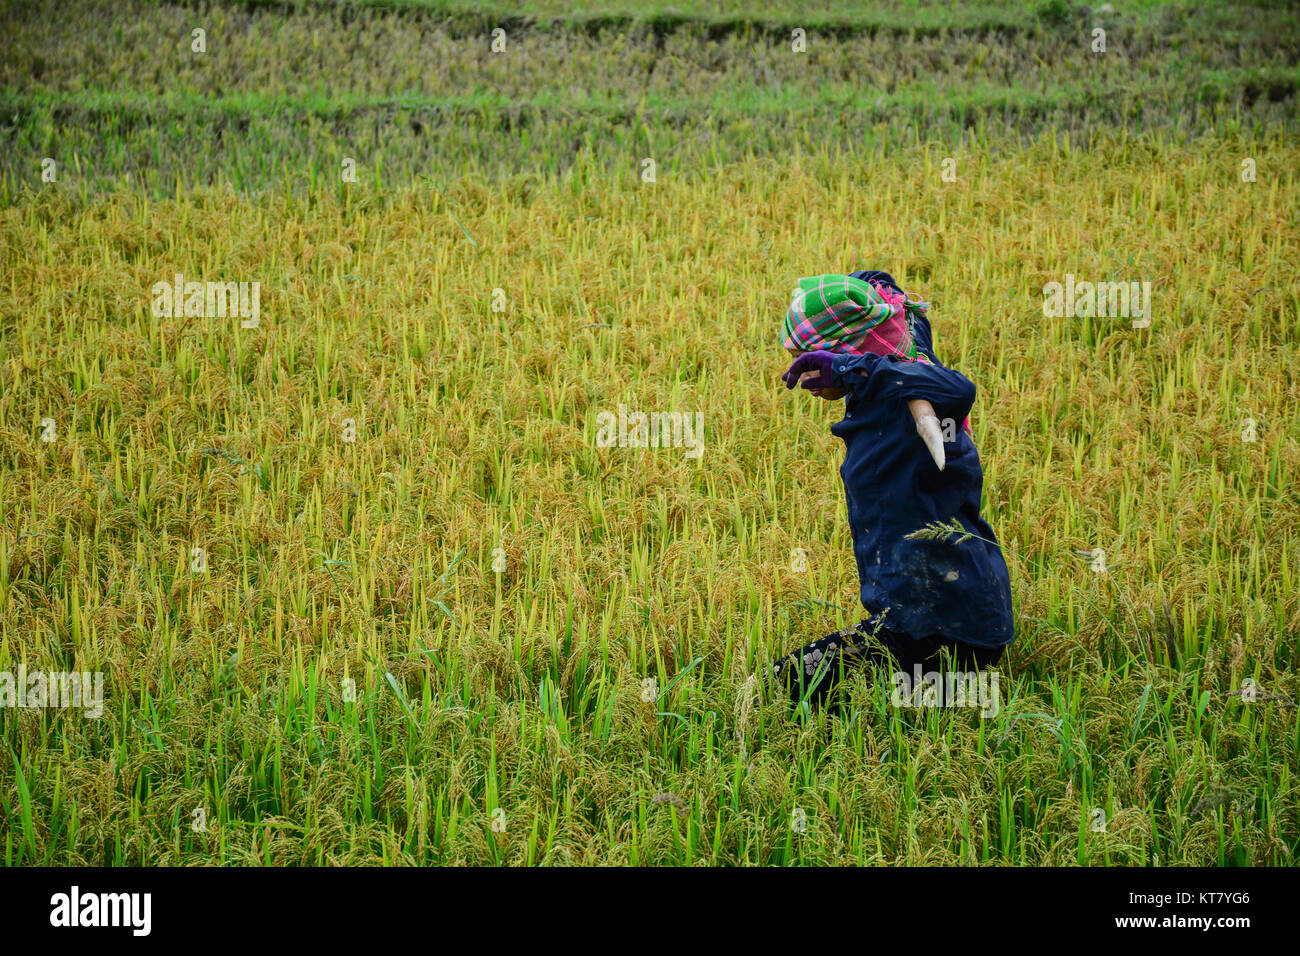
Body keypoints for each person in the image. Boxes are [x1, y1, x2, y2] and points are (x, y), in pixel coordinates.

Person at [774, 270, 1014, 708]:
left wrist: (847, 368)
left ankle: (944, 697)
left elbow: (960, 388)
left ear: (846, 352)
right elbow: (892, 300)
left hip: (938, 631)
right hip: (962, 613)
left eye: (811, 364)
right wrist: (866, 292)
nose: (809, 379)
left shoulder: (908, 389)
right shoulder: (899, 366)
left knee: (784, 685)